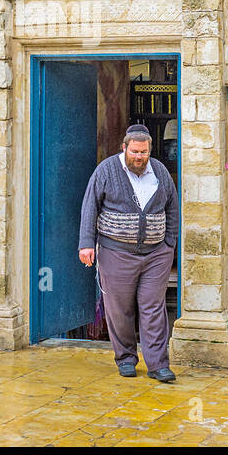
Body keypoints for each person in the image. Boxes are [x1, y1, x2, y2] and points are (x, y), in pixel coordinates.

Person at [78, 123, 180, 382]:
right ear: (124, 148)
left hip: (156, 254)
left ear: (150, 150)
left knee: (153, 307)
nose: (139, 157)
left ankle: (158, 364)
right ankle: (125, 358)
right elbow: (90, 206)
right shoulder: (106, 170)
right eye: (134, 152)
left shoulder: (160, 172)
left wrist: (169, 244)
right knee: (119, 308)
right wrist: (86, 243)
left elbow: (172, 208)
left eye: (144, 152)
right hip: (116, 252)